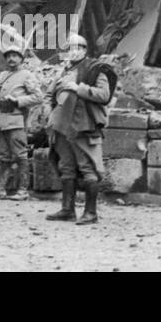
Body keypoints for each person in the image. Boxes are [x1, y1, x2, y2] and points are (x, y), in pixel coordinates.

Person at [45, 32, 115, 225]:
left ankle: (91, 213)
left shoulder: (95, 69)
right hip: (61, 128)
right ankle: (67, 210)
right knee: (66, 167)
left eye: (77, 48)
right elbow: (49, 95)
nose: (72, 52)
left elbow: (104, 95)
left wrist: (79, 88)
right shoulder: (62, 71)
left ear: (85, 50)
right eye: (68, 48)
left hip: (84, 126)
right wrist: (49, 113)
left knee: (88, 168)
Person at [0, 46, 43, 200]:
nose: (11, 59)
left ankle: (23, 190)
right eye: (8, 56)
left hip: (16, 121)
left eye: (15, 56)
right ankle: (0, 188)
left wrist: (18, 101)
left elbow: (38, 97)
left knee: (20, 155)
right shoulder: (2, 75)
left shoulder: (27, 75)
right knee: (3, 156)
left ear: (22, 58)